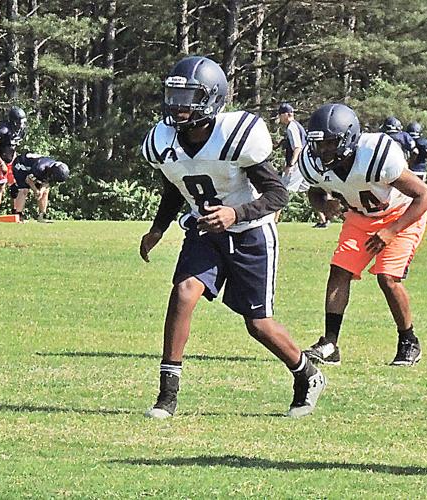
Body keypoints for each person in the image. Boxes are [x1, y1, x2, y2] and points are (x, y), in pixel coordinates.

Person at [138, 56, 325, 419]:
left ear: (210, 98)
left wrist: (234, 213)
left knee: (258, 324)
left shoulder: (234, 136)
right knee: (183, 293)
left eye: (188, 97)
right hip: (205, 231)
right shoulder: (163, 141)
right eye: (175, 96)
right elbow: (176, 185)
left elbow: (277, 195)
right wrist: (158, 228)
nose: (178, 106)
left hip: (250, 233)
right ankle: (167, 395)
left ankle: (306, 374)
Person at [297, 103, 427, 366]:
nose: (322, 150)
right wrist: (324, 204)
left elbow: (425, 196)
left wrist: (392, 231)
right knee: (339, 270)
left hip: (401, 214)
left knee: (387, 278)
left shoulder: (376, 154)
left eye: (329, 143)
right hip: (360, 218)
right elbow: (315, 190)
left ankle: (409, 340)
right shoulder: (313, 162)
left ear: (349, 138)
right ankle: (330, 344)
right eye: (319, 144)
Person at [275, 103, 326, 228]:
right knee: (309, 191)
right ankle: (324, 220)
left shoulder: (291, 127)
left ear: (286, 115)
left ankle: (274, 220)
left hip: (297, 165)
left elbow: (297, 147)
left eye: (280, 115)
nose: (280, 118)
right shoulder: (296, 126)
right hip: (306, 163)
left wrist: (291, 164)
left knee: (281, 191)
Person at [0, 106, 27, 215]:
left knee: (15, 185)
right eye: (19, 122)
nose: (21, 125)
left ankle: (15, 212)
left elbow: (14, 146)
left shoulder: (21, 131)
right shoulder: (3, 130)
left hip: (11, 157)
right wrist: (1, 163)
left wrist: (14, 159)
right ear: (14, 121)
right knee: (0, 186)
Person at [11, 153, 70, 222]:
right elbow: (28, 180)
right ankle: (18, 216)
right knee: (24, 190)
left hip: (33, 169)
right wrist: (36, 191)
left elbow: (46, 183)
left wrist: (41, 191)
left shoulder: (52, 169)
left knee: (45, 191)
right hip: (21, 165)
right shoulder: (40, 168)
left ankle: (42, 216)